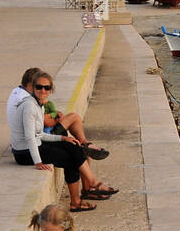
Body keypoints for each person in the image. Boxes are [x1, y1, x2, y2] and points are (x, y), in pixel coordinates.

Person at [8, 70, 117, 212]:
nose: (43, 90)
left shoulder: (39, 105)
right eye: (39, 87)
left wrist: (63, 138)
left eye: (46, 88)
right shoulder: (29, 106)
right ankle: (78, 199)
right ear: (33, 88)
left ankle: (91, 183)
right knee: (70, 159)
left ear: (51, 90)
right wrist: (38, 162)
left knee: (74, 145)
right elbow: (30, 137)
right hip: (24, 152)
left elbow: (39, 134)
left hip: (36, 143)